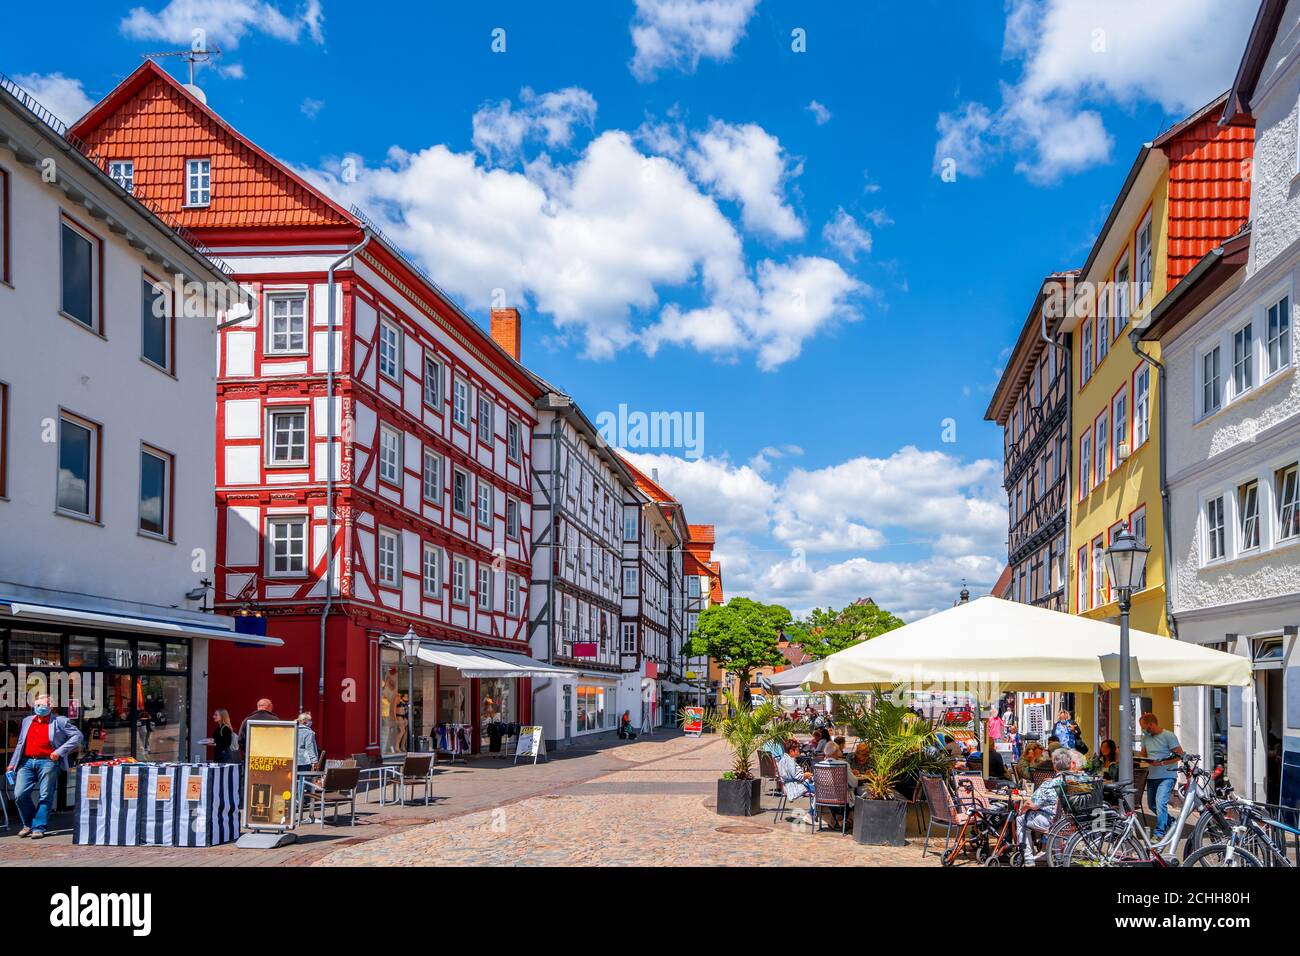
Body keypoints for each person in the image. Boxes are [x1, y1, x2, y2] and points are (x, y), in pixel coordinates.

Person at [5, 694, 85, 839]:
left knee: (45, 795)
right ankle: (29, 824)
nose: (39, 708)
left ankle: (38, 827)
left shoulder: (59, 721)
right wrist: (12, 763)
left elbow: (78, 736)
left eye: (43, 705)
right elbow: (20, 743)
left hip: (48, 761)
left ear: (51, 707)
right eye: (37, 705)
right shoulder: (27, 720)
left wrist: (59, 752)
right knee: (20, 795)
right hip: (27, 761)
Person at [1016, 746, 1077, 863]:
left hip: (1055, 823)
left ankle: (1028, 858)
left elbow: (1032, 804)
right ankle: (1056, 856)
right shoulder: (1078, 781)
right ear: (1070, 765)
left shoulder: (1050, 784)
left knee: (1020, 819)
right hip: (1074, 823)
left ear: (1054, 766)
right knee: (1054, 817)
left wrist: (1023, 809)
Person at [1139, 712, 1184, 838]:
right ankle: (1172, 822)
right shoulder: (1146, 738)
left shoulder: (1168, 736)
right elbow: (1143, 754)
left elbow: (1180, 755)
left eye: (1144, 727)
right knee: (1152, 805)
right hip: (1152, 775)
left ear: (1151, 725)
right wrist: (1140, 758)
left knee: (1160, 803)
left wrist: (1162, 762)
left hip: (1167, 775)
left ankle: (1159, 833)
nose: (1143, 730)